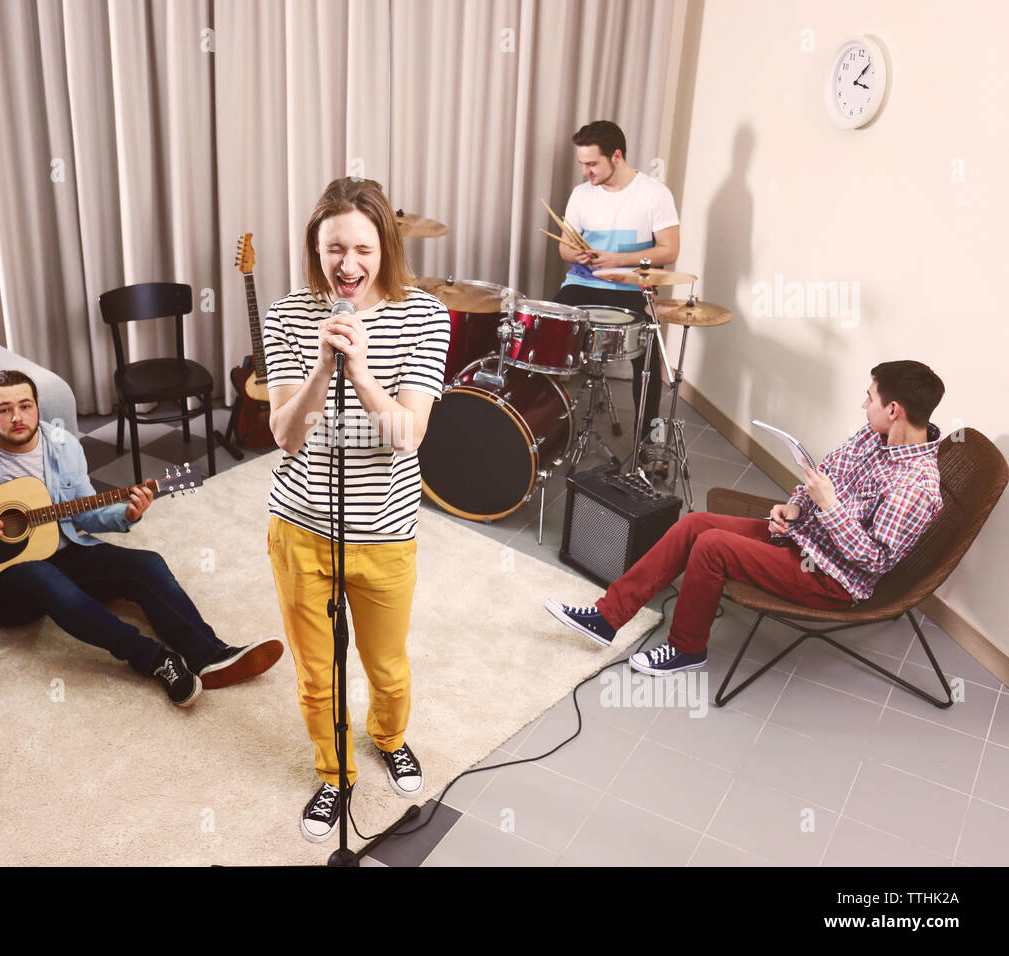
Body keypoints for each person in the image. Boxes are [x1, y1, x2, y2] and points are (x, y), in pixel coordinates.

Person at [0, 369, 282, 705]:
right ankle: (154, 659)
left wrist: (125, 512)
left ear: (37, 409)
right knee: (46, 579)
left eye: (26, 406)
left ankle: (210, 656)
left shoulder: (63, 445)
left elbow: (84, 510)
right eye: (5, 409)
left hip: (61, 549)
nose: (18, 417)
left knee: (145, 565)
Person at [546, 361, 945, 675]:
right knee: (694, 524)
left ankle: (688, 649)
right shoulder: (871, 436)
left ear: (894, 410)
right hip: (803, 537)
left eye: (870, 398)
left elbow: (874, 561)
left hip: (830, 578)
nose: (864, 405)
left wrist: (829, 509)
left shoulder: (916, 487)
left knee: (712, 547)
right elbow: (827, 477)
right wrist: (796, 508)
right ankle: (606, 616)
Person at [262, 177, 450, 842]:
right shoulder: (286, 314)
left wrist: (362, 371)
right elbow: (284, 435)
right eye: (333, 248)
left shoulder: (426, 315)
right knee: (318, 673)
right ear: (315, 247)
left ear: (386, 247)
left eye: (362, 249)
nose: (348, 264)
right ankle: (334, 773)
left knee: (386, 664)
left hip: (385, 532)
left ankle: (389, 737)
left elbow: (408, 434)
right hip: (300, 525)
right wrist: (321, 367)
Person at [553, 120, 680, 446]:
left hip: (631, 288)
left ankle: (650, 443)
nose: (586, 172)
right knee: (547, 338)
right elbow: (564, 247)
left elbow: (670, 248)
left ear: (617, 157)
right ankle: (543, 428)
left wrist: (616, 259)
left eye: (592, 164)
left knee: (648, 358)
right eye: (582, 164)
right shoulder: (581, 195)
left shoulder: (654, 194)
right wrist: (576, 254)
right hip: (582, 285)